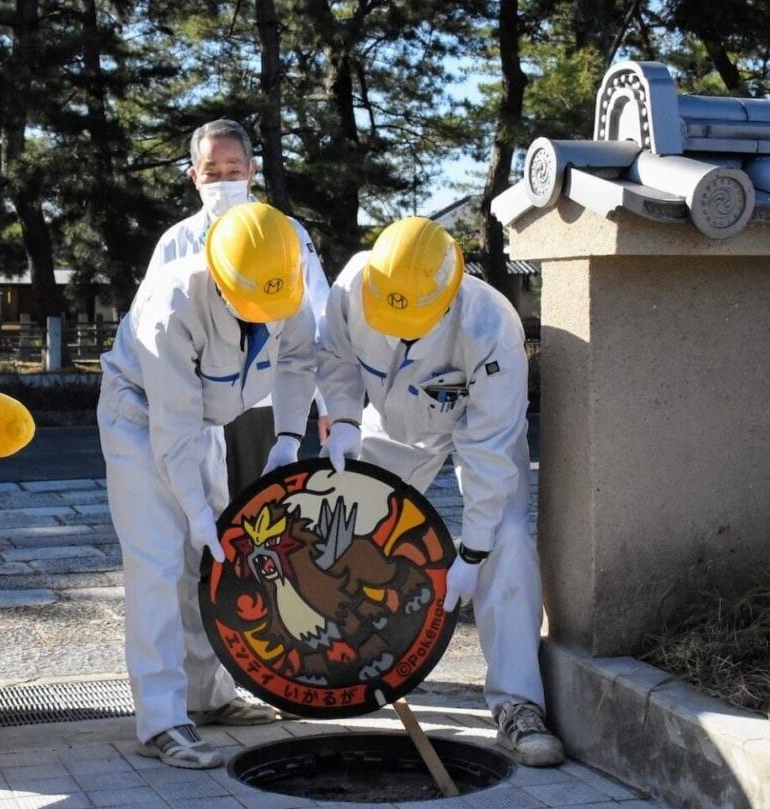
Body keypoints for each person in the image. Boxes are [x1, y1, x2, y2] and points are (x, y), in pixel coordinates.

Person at [316, 217, 563, 767]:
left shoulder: (490, 325)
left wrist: (471, 553)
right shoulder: (353, 284)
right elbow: (333, 357)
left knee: (507, 541)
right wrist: (345, 419)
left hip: (477, 429)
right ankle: (334, 669)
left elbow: (489, 453)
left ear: (447, 296)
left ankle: (518, 704)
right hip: (390, 427)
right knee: (339, 527)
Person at [99, 202, 318, 769]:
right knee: (157, 561)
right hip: (141, 417)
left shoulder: (284, 283)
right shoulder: (170, 304)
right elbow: (171, 433)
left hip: (205, 422)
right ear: (220, 276)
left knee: (210, 561)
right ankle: (161, 719)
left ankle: (208, 696)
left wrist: (288, 440)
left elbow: (298, 360)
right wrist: (197, 513)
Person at [145, 119, 329, 497]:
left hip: (264, 403)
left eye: (234, 170)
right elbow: (149, 323)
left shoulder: (286, 233)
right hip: (194, 404)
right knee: (198, 509)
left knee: (262, 509)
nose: (223, 181)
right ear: (194, 176)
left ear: (252, 171)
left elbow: (317, 316)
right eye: (212, 172)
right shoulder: (175, 241)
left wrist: (328, 405)